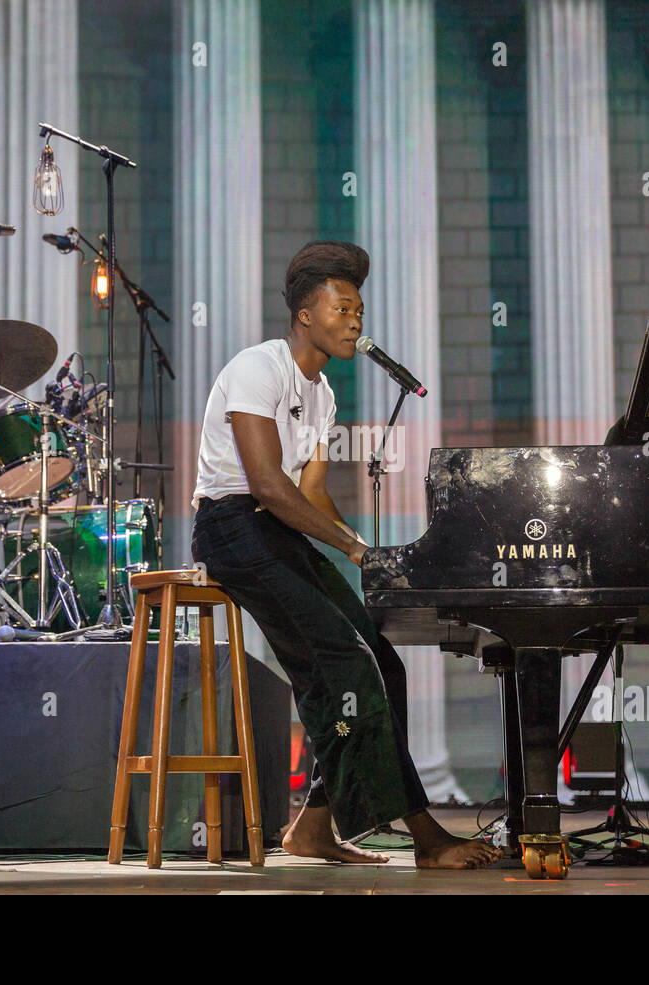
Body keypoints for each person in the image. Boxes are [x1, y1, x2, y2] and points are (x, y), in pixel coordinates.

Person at [191, 241, 499, 869]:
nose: (356, 319)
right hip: (230, 530)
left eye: (359, 308)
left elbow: (310, 493)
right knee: (345, 667)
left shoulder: (323, 393)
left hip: (276, 530)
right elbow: (269, 484)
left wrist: (382, 554)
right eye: (344, 306)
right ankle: (425, 836)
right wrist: (355, 549)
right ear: (306, 314)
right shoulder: (258, 368)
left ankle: (312, 828)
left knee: (383, 665)